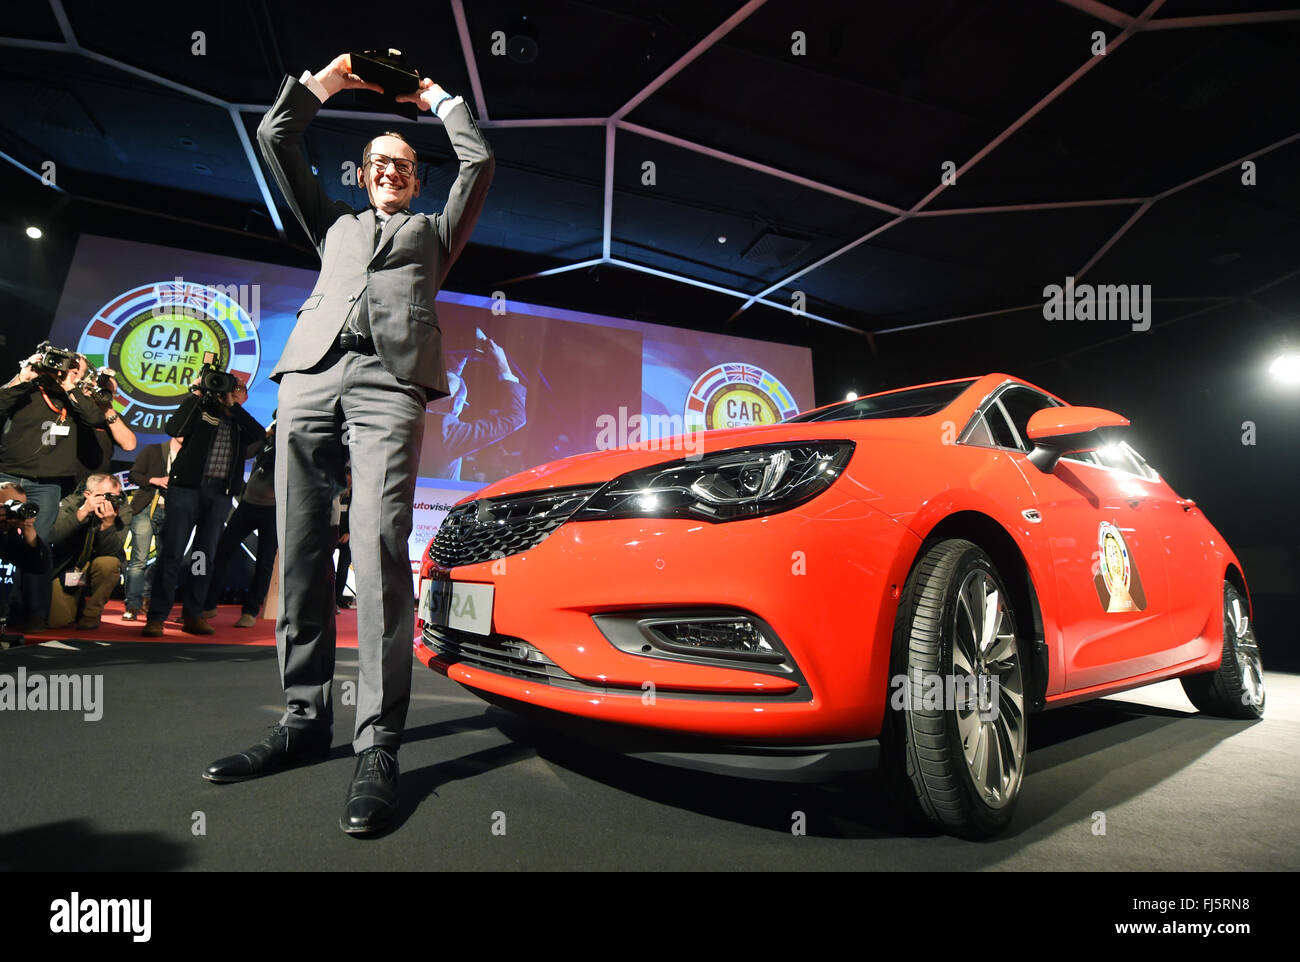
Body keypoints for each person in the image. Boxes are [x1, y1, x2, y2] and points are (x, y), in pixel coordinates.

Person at [204, 52, 494, 836]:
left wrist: (431, 96)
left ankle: (378, 745)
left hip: (390, 384)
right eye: (380, 163)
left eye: (403, 164)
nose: (393, 171)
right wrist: (330, 81)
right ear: (361, 175)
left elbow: (481, 156)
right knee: (295, 543)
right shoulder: (330, 223)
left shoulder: (436, 233)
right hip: (308, 376)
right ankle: (302, 721)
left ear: (416, 181)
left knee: (377, 545)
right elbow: (276, 134)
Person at [143, 381, 263, 637]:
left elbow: (259, 435)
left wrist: (232, 407)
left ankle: (193, 614)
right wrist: (197, 395)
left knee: (202, 557)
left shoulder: (240, 419)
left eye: (236, 389)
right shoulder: (200, 408)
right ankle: (156, 617)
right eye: (226, 388)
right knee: (172, 553)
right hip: (187, 489)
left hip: (219, 495)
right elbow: (174, 428)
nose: (230, 392)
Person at [0, 349, 100, 631]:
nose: (62, 370)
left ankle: (32, 612)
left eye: (73, 369)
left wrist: (70, 386)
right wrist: (24, 376)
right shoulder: (27, 388)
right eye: (61, 365)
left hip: (47, 485)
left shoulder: (78, 399)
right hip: (8, 475)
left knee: (36, 545)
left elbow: (94, 418)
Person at [202, 419, 277, 628]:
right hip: (247, 505)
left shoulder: (293, 444)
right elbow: (245, 453)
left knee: (265, 561)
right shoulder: (266, 442)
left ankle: (250, 611)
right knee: (222, 552)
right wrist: (266, 435)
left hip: (273, 509)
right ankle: (207, 604)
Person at [420, 338, 526, 480]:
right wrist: (503, 367)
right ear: (457, 405)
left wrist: (455, 372)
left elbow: (446, 397)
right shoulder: (447, 434)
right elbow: (514, 417)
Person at [47, 473, 131, 630]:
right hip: (67, 567)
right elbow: (55, 537)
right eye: (105, 496)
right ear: (88, 494)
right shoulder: (71, 503)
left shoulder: (122, 508)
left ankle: (91, 614)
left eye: (116, 496)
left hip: (96, 567)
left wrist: (107, 524)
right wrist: (83, 512)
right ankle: (77, 605)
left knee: (109, 563)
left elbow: (111, 551)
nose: (112, 501)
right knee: (56, 622)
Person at [122, 435, 181, 620]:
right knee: (138, 559)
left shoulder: (190, 455)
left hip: (172, 510)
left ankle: (148, 597)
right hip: (146, 508)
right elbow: (133, 475)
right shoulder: (154, 450)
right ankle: (132, 605)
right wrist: (154, 480)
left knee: (164, 561)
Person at [0, 482, 51, 647]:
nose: (15, 510)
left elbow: (38, 568)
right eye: (10, 505)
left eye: (20, 506)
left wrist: (30, 533)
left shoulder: (10, 533)